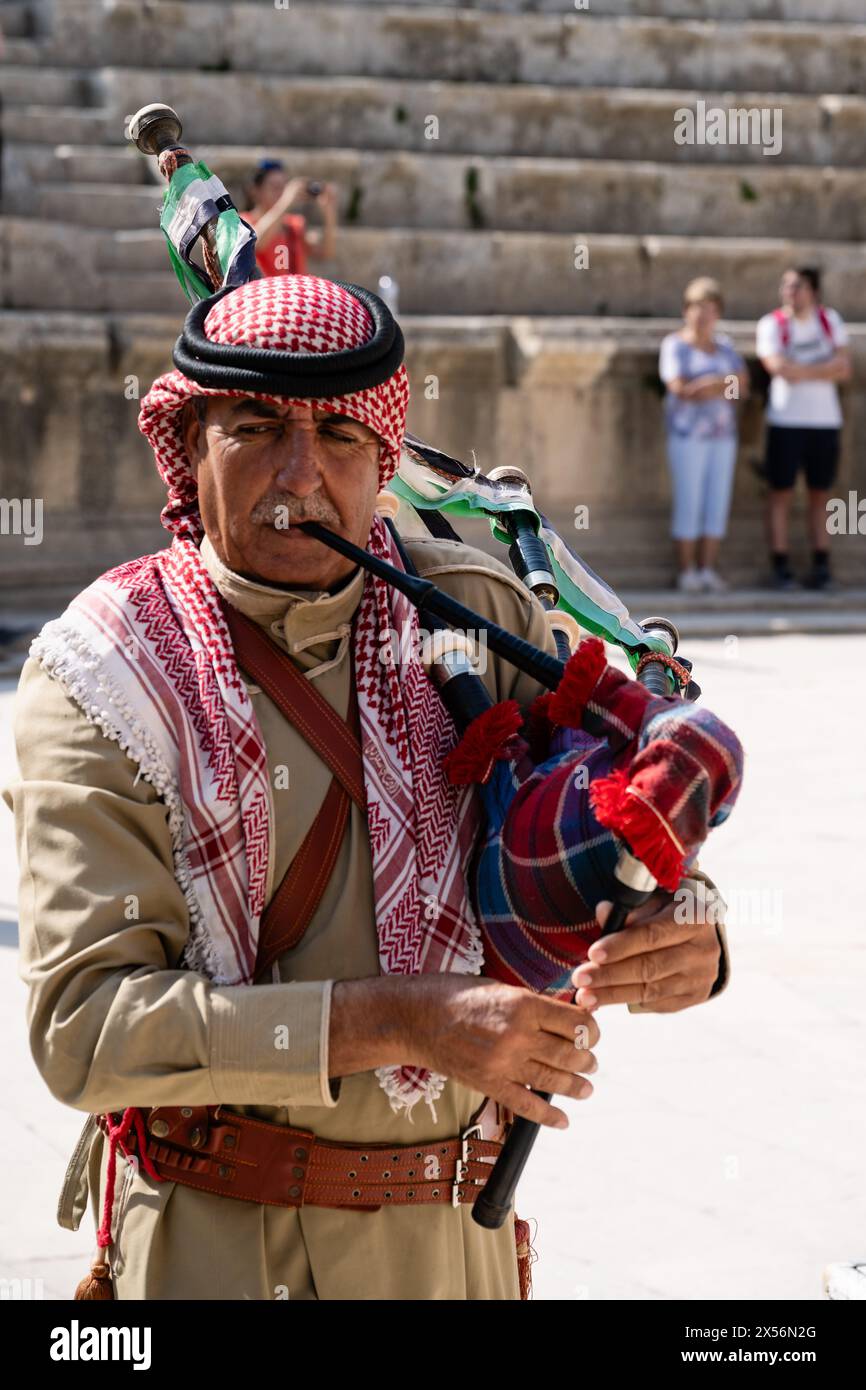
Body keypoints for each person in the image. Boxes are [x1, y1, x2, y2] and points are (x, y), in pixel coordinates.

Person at [3, 275, 731, 1301]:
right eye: (254, 428)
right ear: (192, 439)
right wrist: (400, 1021)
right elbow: (88, 1031)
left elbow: (621, 811)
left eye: (341, 437)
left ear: (384, 455)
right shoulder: (105, 672)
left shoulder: (477, 613)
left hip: (454, 1245)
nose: (299, 476)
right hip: (219, 1249)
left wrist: (691, 929)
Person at [756, 266, 851, 590]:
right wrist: (821, 370)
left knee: (820, 493)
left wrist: (800, 371)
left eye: (796, 286)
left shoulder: (830, 320)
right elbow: (777, 367)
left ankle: (821, 564)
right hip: (786, 420)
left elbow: (844, 368)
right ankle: (780, 566)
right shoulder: (772, 324)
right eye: (786, 285)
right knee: (780, 492)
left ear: (813, 291)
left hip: (824, 422)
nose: (789, 292)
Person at [659, 278, 749, 593]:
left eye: (710, 309)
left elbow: (742, 386)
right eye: (697, 308)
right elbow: (680, 388)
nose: (703, 316)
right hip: (687, 436)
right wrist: (721, 382)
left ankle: (707, 567)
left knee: (716, 502)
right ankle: (687, 570)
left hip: (722, 436)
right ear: (686, 311)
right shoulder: (675, 345)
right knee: (689, 501)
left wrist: (707, 384)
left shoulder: (725, 347)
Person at [243, 158, 337, 277]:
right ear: (255, 191)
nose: (281, 192)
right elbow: (255, 243)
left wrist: (329, 213)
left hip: (294, 293)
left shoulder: (294, 224)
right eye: (275, 187)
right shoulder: (243, 222)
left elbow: (326, 253)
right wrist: (286, 201)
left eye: (284, 187)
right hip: (265, 293)